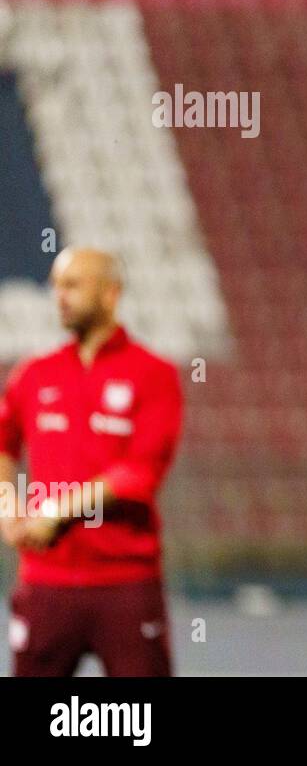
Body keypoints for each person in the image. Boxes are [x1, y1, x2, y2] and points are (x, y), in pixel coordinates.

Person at [0, 247, 183, 676]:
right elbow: (3, 446)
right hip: (46, 583)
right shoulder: (32, 374)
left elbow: (141, 473)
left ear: (110, 294)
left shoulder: (153, 373)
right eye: (56, 286)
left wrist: (59, 511)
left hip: (125, 581)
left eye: (73, 285)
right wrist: (8, 507)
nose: (60, 296)